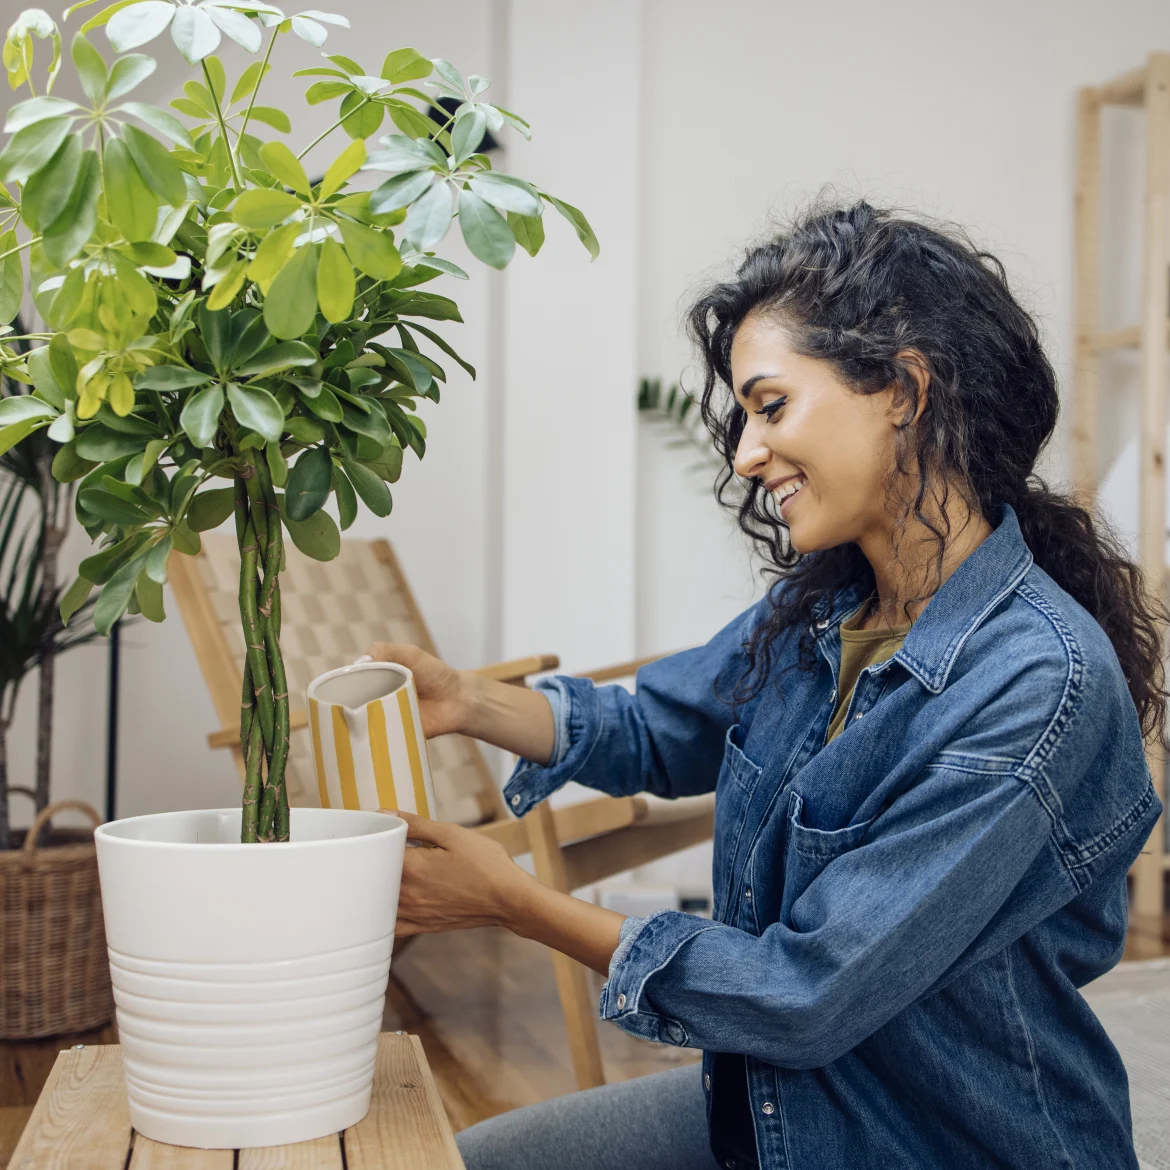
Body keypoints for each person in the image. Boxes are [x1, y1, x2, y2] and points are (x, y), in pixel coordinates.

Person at [364, 201, 1164, 1170]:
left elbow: (804, 992)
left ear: (905, 390)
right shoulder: (828, 610)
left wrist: (511, 899)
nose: (745, 455)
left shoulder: (1036, 683)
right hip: (784, 1111)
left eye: (771, 406)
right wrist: (468, 700)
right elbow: (656, 723)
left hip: (936, 1144)